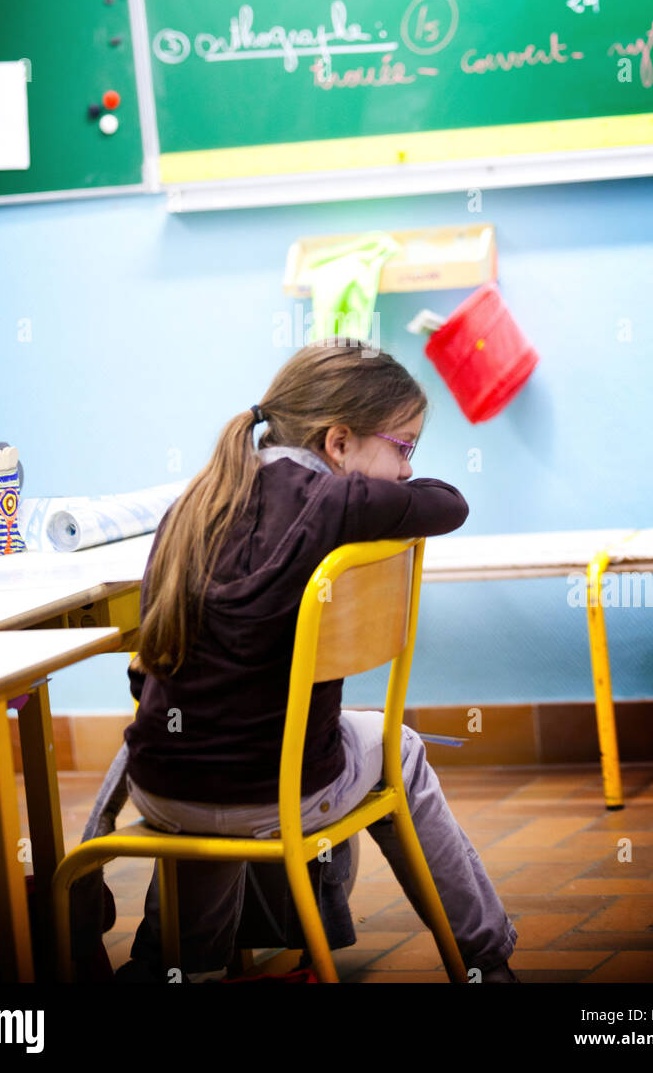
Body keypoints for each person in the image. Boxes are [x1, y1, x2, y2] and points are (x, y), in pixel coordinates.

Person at [123, 338, 519, 982]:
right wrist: (399, 484)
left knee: (215, 760)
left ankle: (178, 968)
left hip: (160, 789)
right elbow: (449, 504)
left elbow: (142, 675)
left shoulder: (193, 503)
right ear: (338, 444)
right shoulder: (338, 503)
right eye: (404, 447)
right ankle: (485, 959)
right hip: (280, 797)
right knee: (402, 748)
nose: (404, 468)